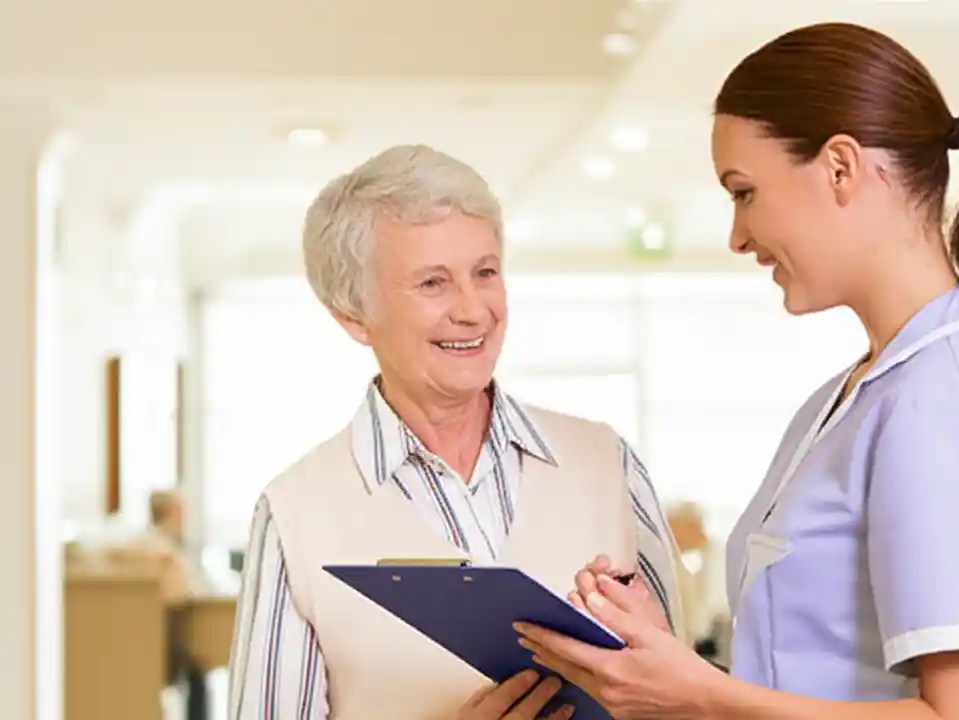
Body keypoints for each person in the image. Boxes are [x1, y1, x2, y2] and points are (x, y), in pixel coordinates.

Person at [516, 21, 959, 720]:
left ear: (840, 167)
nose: (737, 235)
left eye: (744, 192)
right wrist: (668, 664)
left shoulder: (948, 395)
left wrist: (698, 691)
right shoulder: (858, 394)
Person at [226, 145, 684, 719]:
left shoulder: (606, 464)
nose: (473, 310)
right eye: (432, 284)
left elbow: (683, 699)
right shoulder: (295, 513)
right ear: (353, 313)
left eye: (485, 273)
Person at [143, 490, 209, 720]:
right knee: (194, 668)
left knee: (197, 671)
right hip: (167, 620)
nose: (184, 518)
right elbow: (182, 586)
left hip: (178, 615)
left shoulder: (171, 546)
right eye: (180, 512)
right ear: (167, 513)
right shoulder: (159, 549)